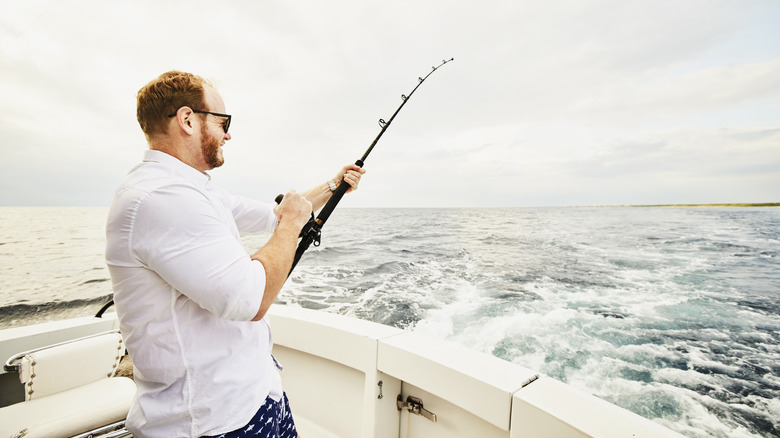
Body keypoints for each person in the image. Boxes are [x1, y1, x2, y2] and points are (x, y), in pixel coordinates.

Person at [105, 70, 365, 438]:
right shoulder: (161, 198)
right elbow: (251, 299)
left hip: (257, 396)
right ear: (188, 120)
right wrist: (292, 226)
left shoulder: (194, 191)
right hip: (215, 422)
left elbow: (274, 215)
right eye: (223, 121)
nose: (229, 133)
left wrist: (331, 186)